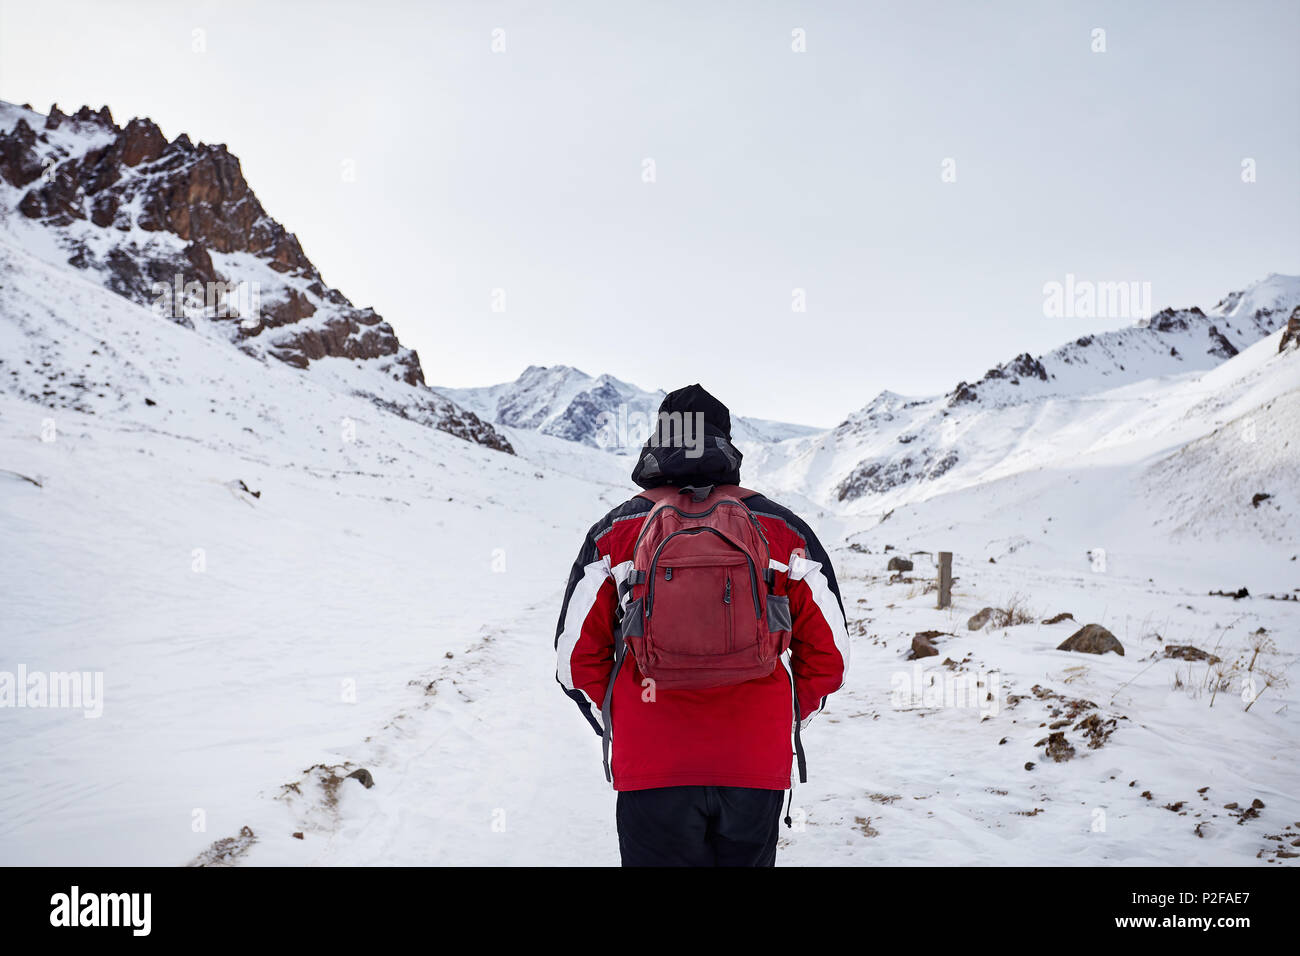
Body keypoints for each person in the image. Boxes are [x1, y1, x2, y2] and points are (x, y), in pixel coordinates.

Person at [554, 383, 849, 866]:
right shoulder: (782, 529)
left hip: (652, 765)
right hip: (754, 761)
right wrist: (783, 719)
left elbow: (574, 660)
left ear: (659, 438)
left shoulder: (616, 532)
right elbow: (830, 655)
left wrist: (621, 721)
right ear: (725, 440)